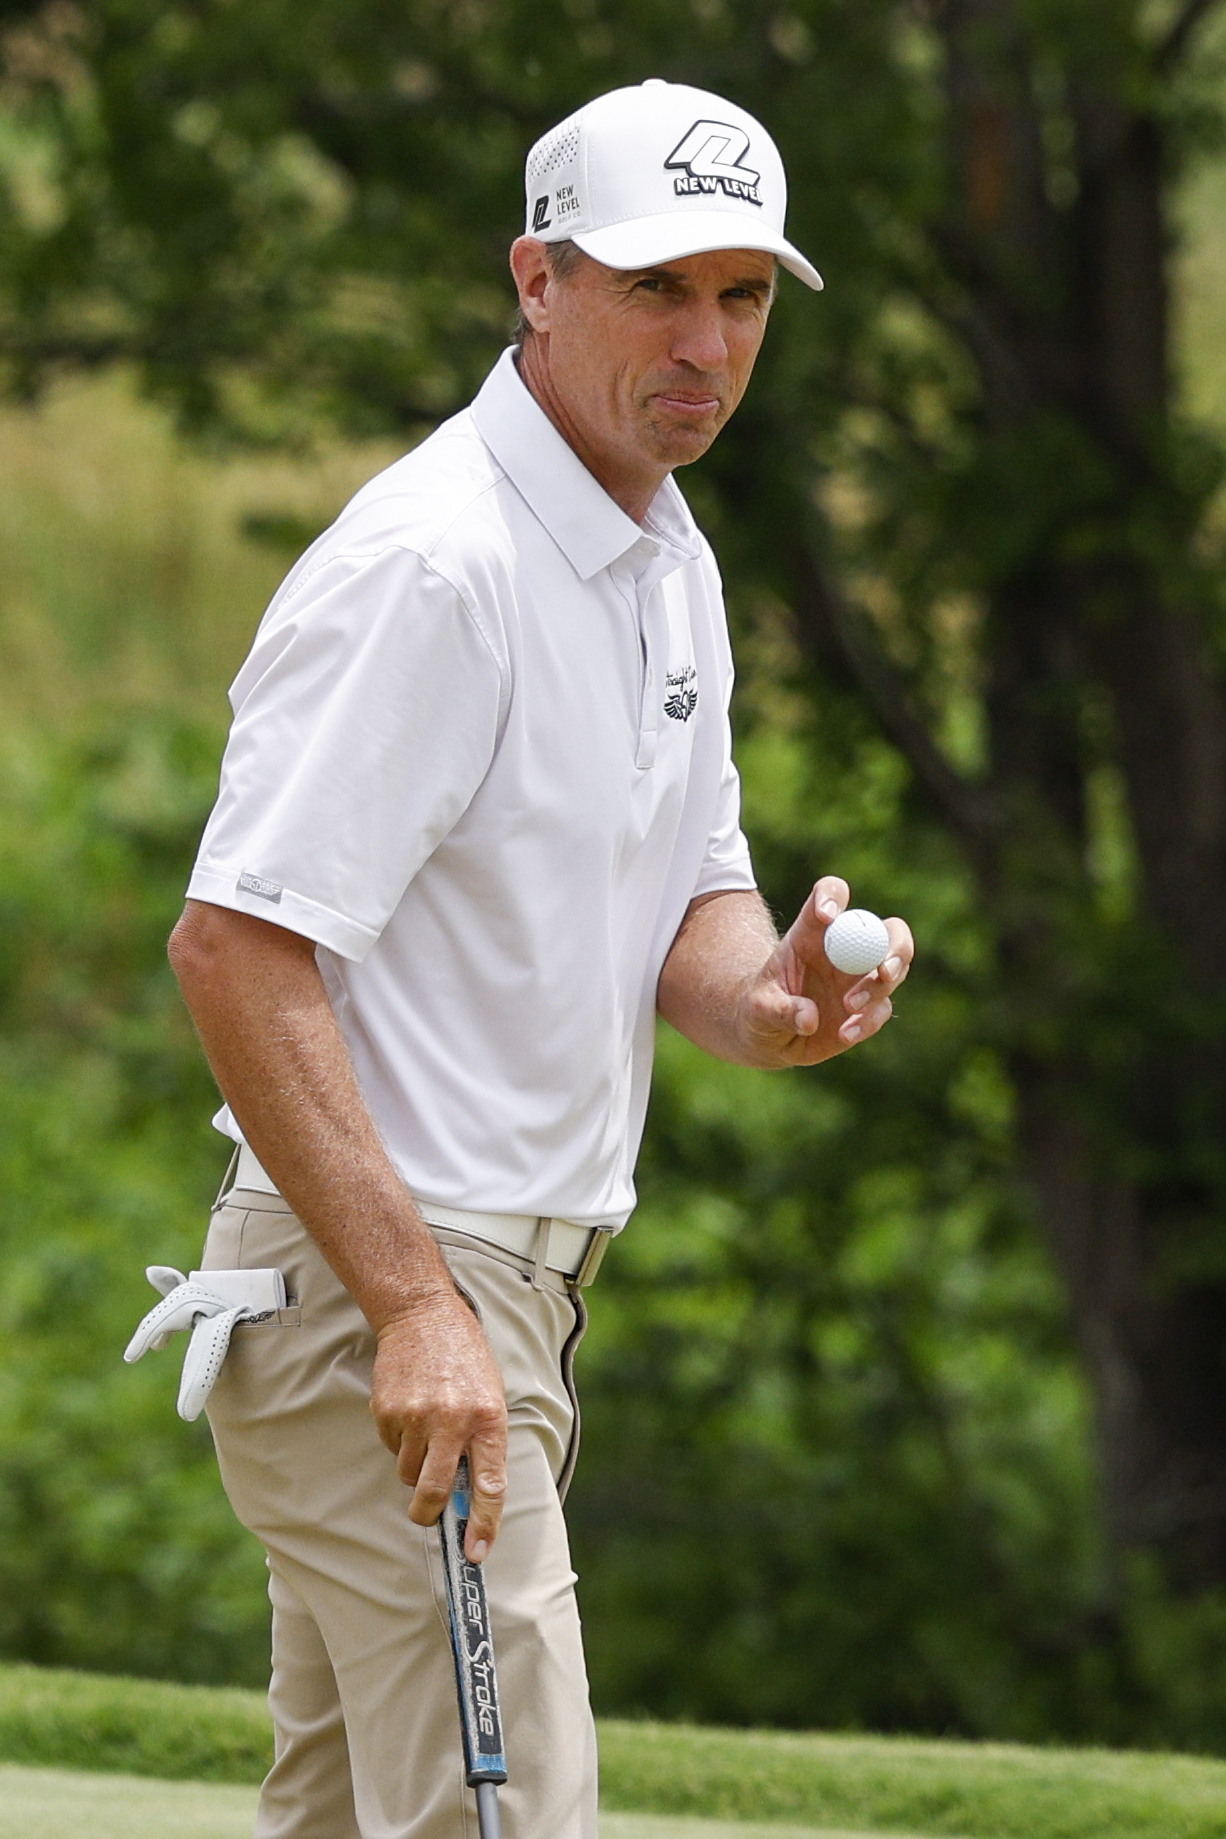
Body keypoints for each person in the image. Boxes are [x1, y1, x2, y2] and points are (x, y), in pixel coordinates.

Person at [166, 77, 913, 1839]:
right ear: (536, 280)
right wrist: (417, 1309)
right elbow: (236, 946)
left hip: (483, 1299)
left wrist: (765, 999)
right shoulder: (436, 565)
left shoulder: (662, 550)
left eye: (740, 296)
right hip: (392, 1291)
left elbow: (688, 892)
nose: (706, 345)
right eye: (657, 290)